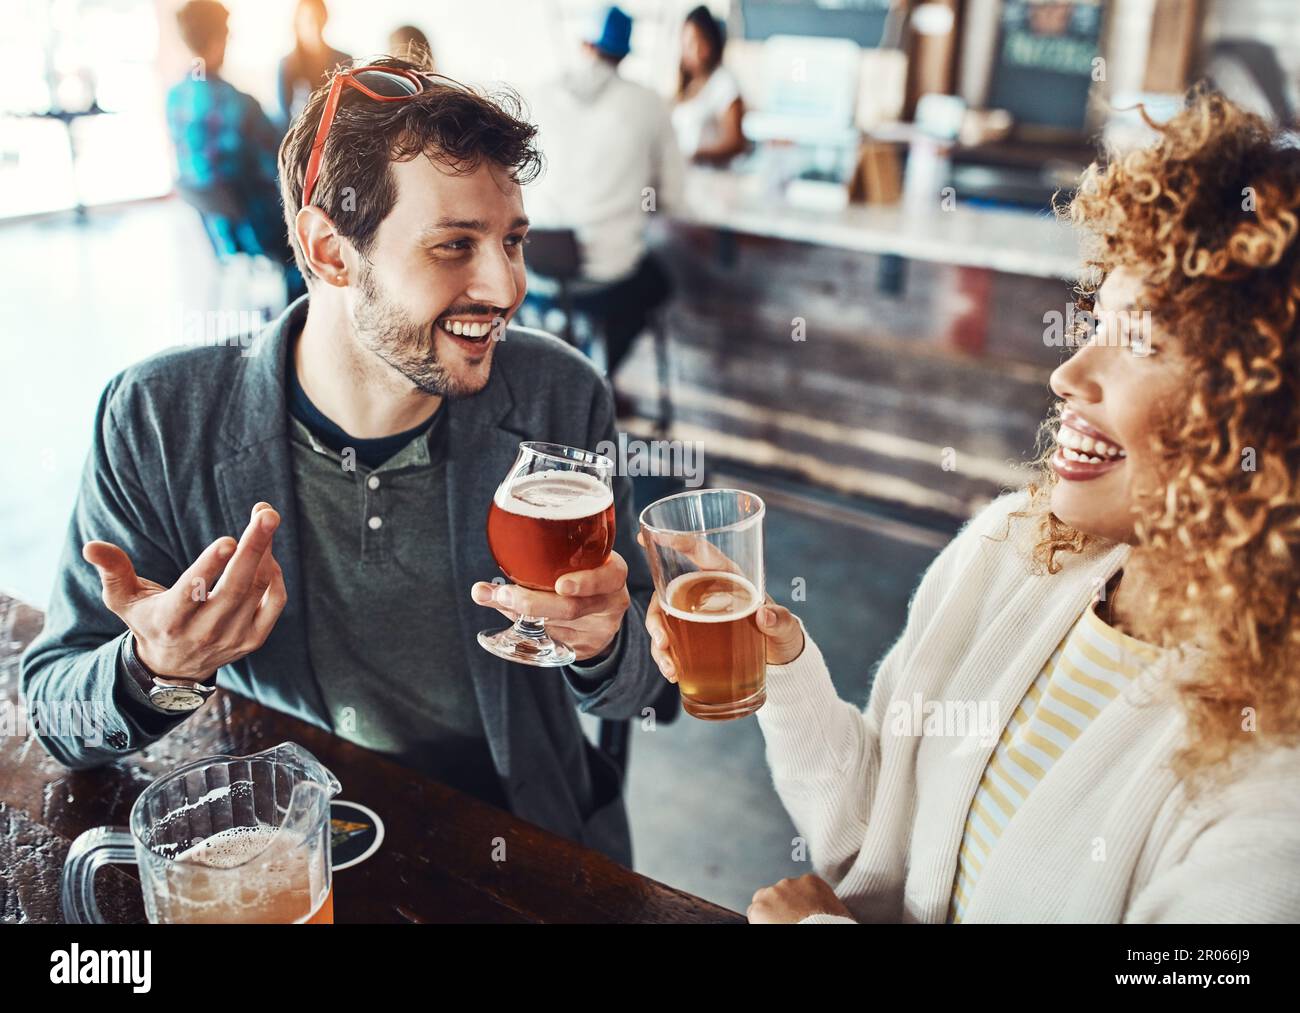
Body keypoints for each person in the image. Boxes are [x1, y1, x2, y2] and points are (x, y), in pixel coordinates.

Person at [644, 91, 1300, 922]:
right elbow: (876, 834)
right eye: (1097, 319)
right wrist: (779, 665)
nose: (1069, 374)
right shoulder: (1013, 547)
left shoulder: (1277, 780)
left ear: (1270, 413)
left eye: (1139, 340)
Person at [20, 57, 663, 869]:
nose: (506, 286)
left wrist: (606, 641)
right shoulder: (159, 419)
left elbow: (647, 685)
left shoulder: (557, 395)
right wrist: (156, 667)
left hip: (519, 848)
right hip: (287, 855)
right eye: (454, 245)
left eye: (511, 241)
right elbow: (53, 712)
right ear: (329, 249)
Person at [526, 5, 684, 382]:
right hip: (607, 277)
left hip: (535, 271)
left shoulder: (538, 95)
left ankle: (575, 375)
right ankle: (596, 379)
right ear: (626, 52)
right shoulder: (649, 103)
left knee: (586, 298)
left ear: (583, 42)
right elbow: (674, 197)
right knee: (658, 285)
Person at [165, 0, 304, 298]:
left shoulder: (174, 99)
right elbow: (287, 162)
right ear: (216, 42)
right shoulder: (238, 105)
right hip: (258, 228)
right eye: (227, 35)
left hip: (220, 229)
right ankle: (299, 320)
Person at [672, 5, 745, 165]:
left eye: (697, 42)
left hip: (711, 179)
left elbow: (736, 142)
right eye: (687, 44)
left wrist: (693, 153)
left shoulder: (724, 83)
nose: (693, 50)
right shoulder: (688, 84)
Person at [277, 0, 350, 127]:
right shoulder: (287, 65)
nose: (314, 24)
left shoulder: (343, 61)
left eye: (318, 17)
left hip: (337, 136)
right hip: (301, 137)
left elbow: (350, 106)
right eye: (309, 19)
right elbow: (284, 117)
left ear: (325, 18)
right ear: (297, 22)